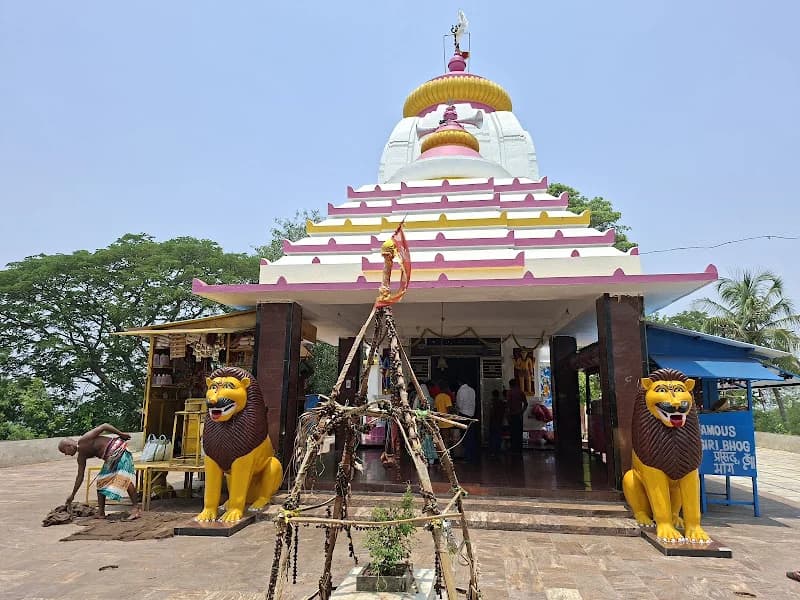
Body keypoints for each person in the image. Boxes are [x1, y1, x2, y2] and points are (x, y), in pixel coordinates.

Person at [58, 423, 141, 520]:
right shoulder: (81, 457)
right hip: (110, 458)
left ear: (69, 446)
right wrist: (72, 495)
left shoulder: (84, 439)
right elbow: (80, 476)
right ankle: (101, 513)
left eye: (64, 451)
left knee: (123, 479)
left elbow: (104, 426)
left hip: (119, 450)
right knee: (101, 483)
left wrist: (121, 434)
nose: (66, 454)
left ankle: (136, 509)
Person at [413, 382, 438, 465]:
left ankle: (422, 458)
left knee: (421, 441)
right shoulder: (431, 399)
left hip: (421, 424)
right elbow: (433, 411)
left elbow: (414, 410)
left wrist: (419, 414)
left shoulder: (418, 399)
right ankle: (431, 459)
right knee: (430, 441)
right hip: (429, 424)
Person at [455, 379, 478, 462]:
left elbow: (459, 405)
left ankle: (467, 456)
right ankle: (472, 455)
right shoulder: (472, 390)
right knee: (471, 436)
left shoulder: (460, 391)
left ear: (459, 382)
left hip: (463, 415)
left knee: (464, 436)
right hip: (471, 415)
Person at [507, 378, 528, 453]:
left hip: (512, 414)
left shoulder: (510, 393)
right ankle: (519, 449)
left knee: (513, 433)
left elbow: (508, 405)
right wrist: (522, 411)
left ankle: (514, 448)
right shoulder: (520, 392)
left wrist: (508, 415)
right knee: (519, 432)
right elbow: (526, 404)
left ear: (510, 385)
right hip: (519, 415)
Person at [488, 389, 505, 457]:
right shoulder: (501, 402)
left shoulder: (493, 402)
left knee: (493, 436)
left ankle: (492, 451)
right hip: (499, 421)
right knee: (498, 436)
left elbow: (492, 413)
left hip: (494, 422)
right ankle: (497, 450)